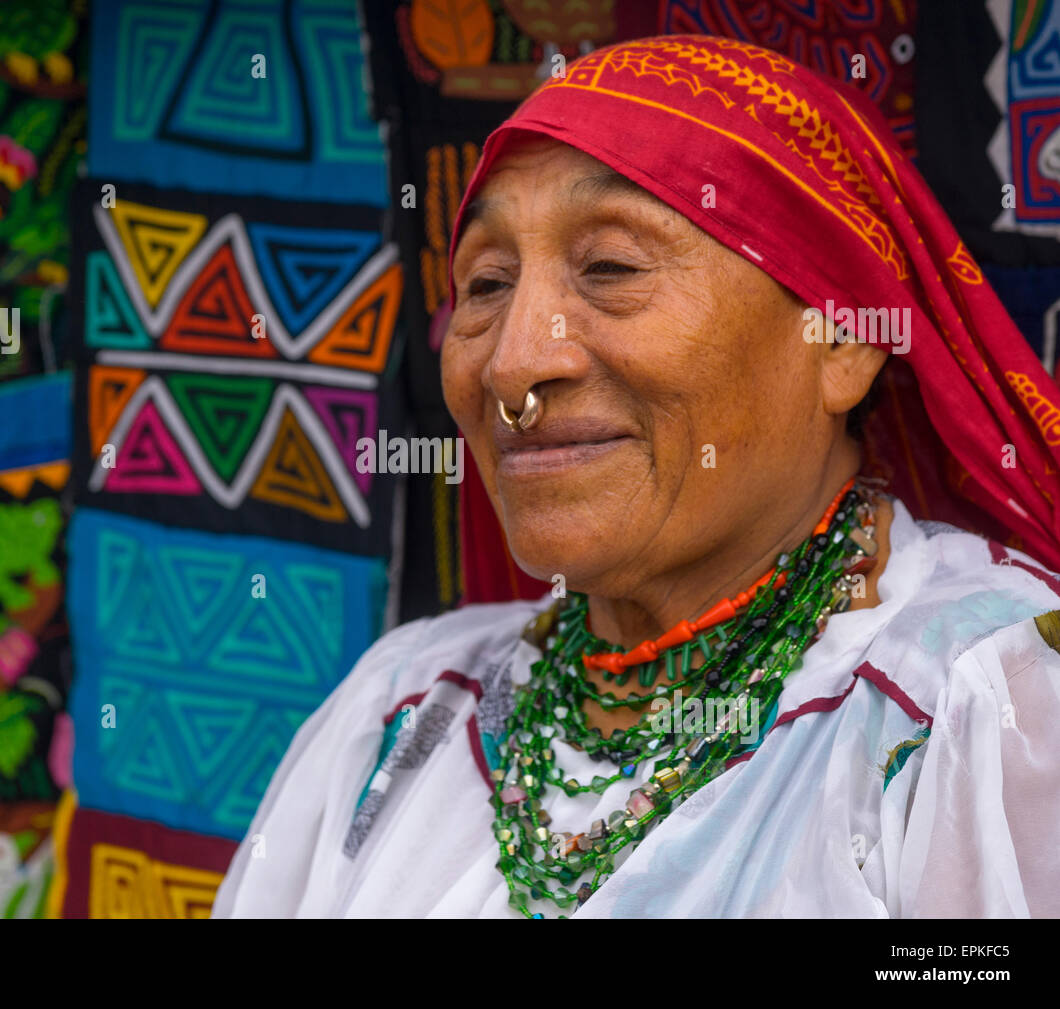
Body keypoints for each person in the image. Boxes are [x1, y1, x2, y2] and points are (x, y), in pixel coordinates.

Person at [211, 35, 1060, 918]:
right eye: (488, 283)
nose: (512, 364)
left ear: (840, 338)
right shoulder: (403, 707)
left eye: (610, 268)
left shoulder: (979, 702)